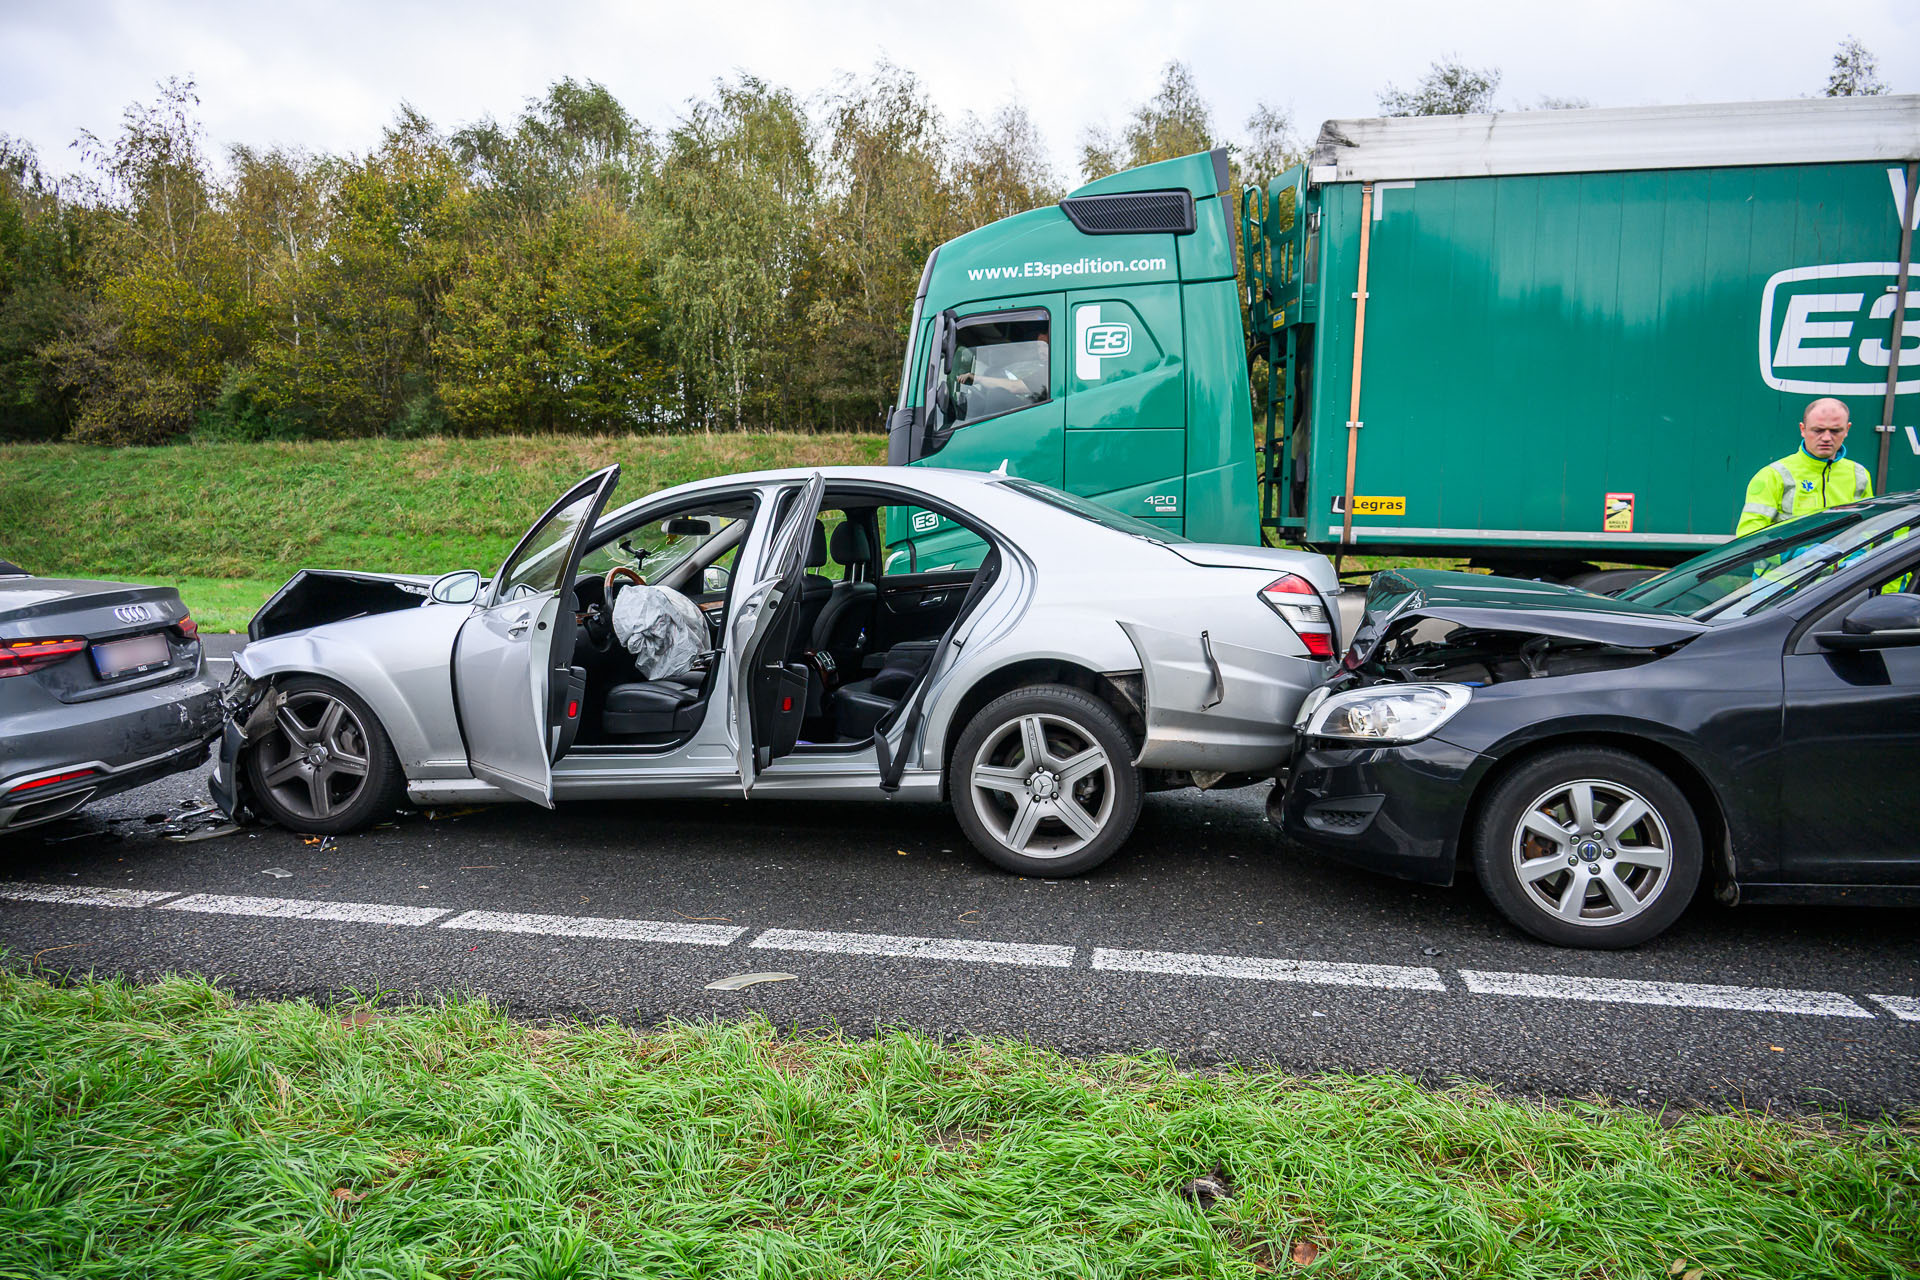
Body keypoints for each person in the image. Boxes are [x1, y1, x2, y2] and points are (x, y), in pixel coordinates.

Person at [1735, 398, 1873, 537]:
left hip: (1847, 559)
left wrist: (1859, 553)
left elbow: (1869, 528)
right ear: (1803, 429)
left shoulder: (1859, 475)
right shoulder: (1773, 475)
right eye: (1818, 430)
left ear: (1847, 429)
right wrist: (1789, 554)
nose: (1826, 437)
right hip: (1792, 559)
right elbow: (1749, 535)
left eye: (1835, 431)